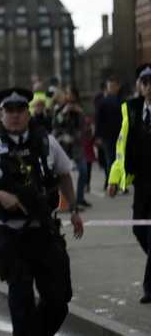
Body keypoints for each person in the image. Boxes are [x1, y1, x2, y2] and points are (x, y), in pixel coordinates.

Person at [0, 87, 84, 336]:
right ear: (1, 113)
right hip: (10, 236)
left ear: (28, 113)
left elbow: (64, 174)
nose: (16, 115)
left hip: (44, 232)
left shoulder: (46, 142)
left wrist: (73, 209)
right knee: (22, 305)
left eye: (21, 109)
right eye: (10, 110)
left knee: (58, 300)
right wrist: (0, 196)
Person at [106, 63, 151, 303]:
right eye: (145, 82)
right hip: (142, 182)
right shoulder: (131, 110)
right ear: (139, 86)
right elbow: (120, 148)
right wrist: (114, 179)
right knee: (138, 229)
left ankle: (149, 287)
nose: (148, 86)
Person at [53, 85, 91, 207]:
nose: (69, 97)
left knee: (83, 171)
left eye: (71, 94)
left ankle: (80, 198)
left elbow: (84, 128)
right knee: (62, 174)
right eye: (67, 94)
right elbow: (55, 124)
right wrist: (63, 113)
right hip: (63, 146)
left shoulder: (79, 109)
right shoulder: (60, 108)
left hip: (76, 146)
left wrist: (81, 113)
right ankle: (64, 201)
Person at [96, 74, 125, 184]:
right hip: (107, 136)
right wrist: (98, 136)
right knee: (110, 160)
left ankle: (117, 182)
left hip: (120, 135)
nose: (111, 88)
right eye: (110, 86)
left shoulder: (122, 101)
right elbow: (98, 120)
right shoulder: (103, 102)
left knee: (119, 159)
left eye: (113, 86)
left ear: (118, 86)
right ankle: (112, 182)